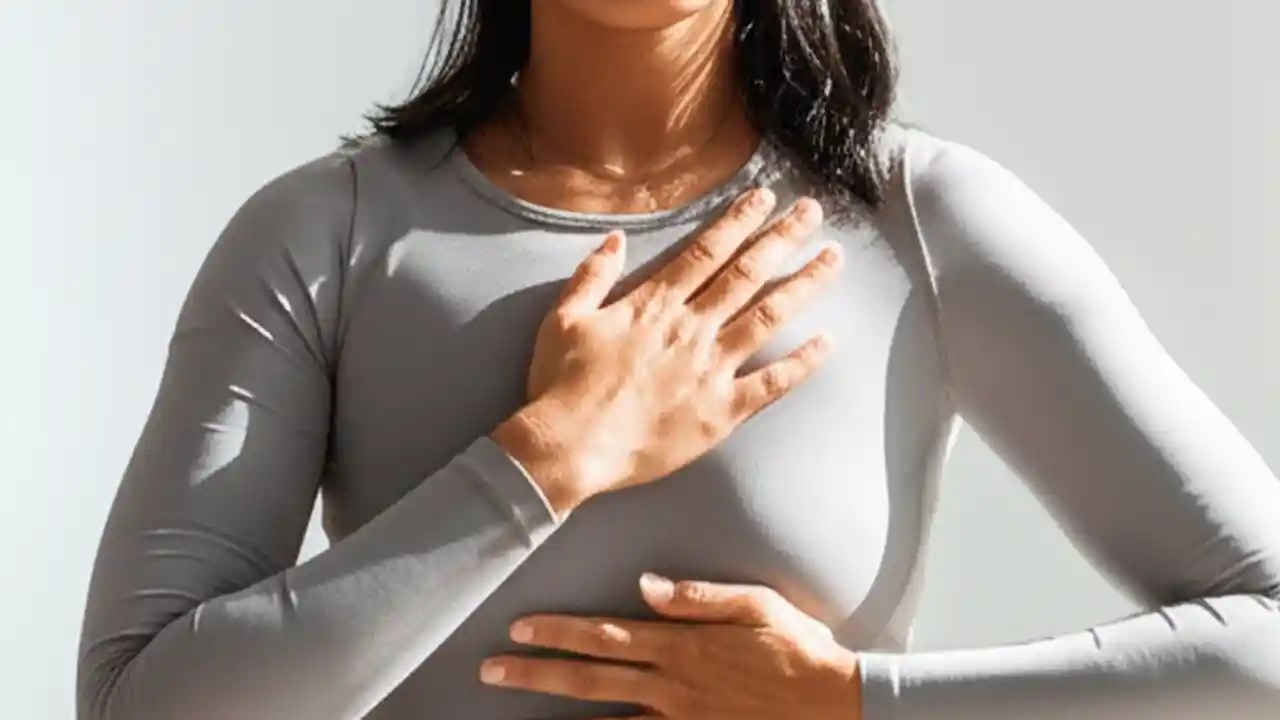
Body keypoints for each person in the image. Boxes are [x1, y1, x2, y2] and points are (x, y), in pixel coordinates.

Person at [76, 1, 1280, 718]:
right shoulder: (323, 236)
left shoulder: (922, 222)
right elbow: (138, 707)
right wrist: (550, 456)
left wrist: (849, 703)